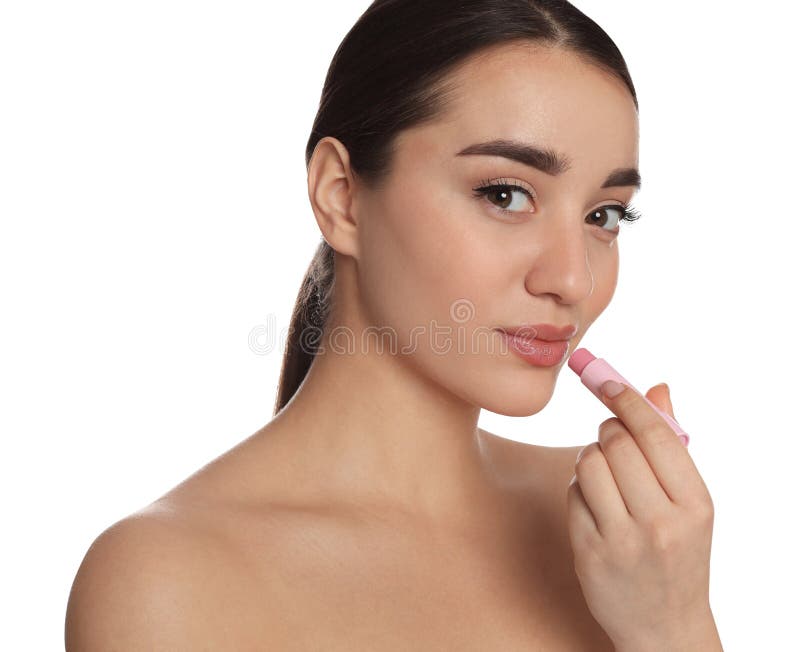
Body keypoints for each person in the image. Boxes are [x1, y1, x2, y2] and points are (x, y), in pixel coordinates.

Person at [65, 1, 722, 649]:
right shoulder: (168, 580)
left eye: (604, 215)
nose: (573, 280)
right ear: (341, 197)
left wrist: (673, 625)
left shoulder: (623, 533)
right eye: (505, 195)